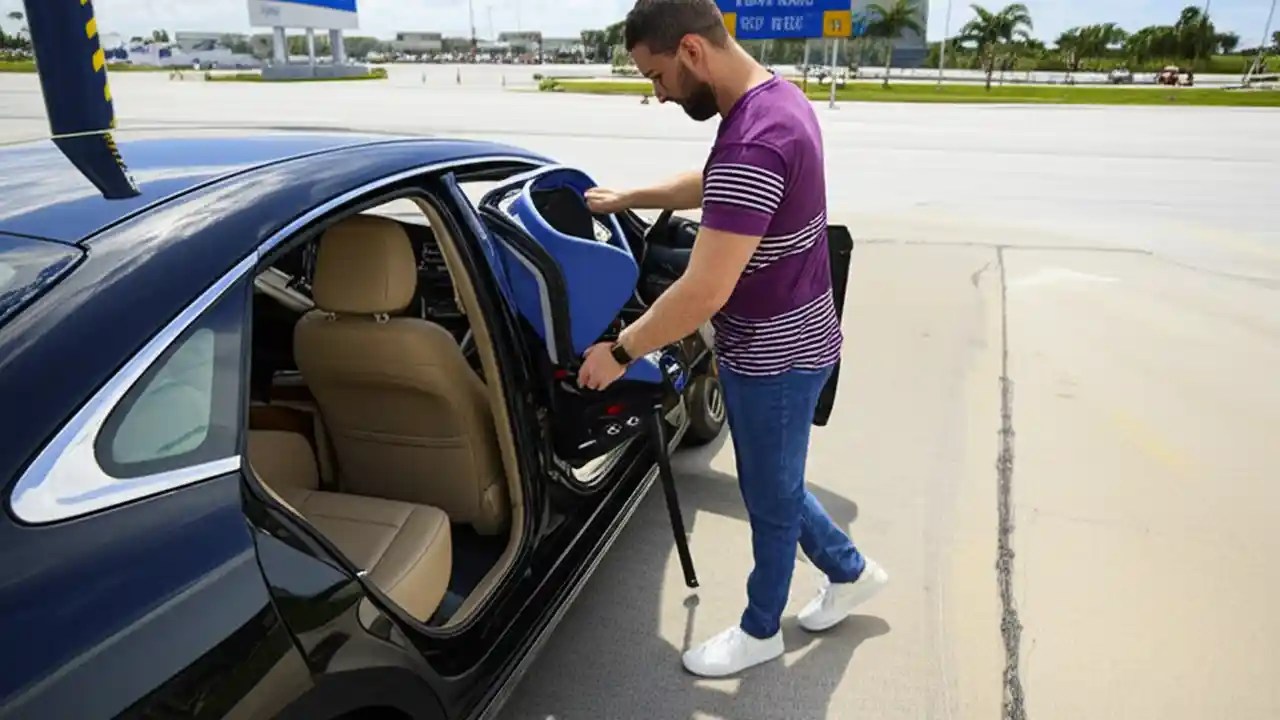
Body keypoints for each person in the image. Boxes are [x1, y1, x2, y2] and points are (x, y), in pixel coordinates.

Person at [575, 0, 889, 679]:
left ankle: (760, 631)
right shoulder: (774, 101)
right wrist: (632, 196)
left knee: (769, 498)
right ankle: (851, 570)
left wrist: (619, 351)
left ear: (690, 51)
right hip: (795, 333)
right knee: (771, 480)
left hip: (775, 355)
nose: (656, 94)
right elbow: (722, 189)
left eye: (656, 76)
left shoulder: (754, 138)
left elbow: (700, 293)